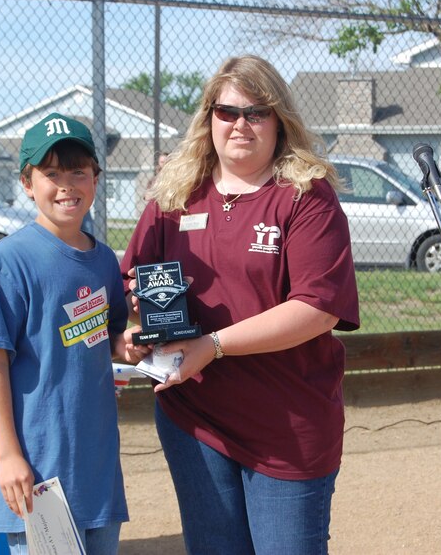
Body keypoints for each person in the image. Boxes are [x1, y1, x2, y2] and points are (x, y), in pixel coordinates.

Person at [120, 55, 360, 555]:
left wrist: (214, 345)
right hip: (196, 418)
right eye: (227, 112)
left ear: (279, 120)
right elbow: (133, 283)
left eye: (256, 112)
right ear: (209, 118)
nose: (240, 125)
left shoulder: (306, 196)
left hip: (286, 423)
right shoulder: (174, 195)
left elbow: (317, 308)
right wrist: (133, 327)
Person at [0, 112, 146, 555]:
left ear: (96, 180)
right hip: (37, 470)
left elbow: (109, 340)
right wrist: (9, 456)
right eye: (51, 173)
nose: (66, 184)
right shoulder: (9, 261)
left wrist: (136, 341)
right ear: (28, 183)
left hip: (95, 468)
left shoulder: (104, 260)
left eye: (77, 172)